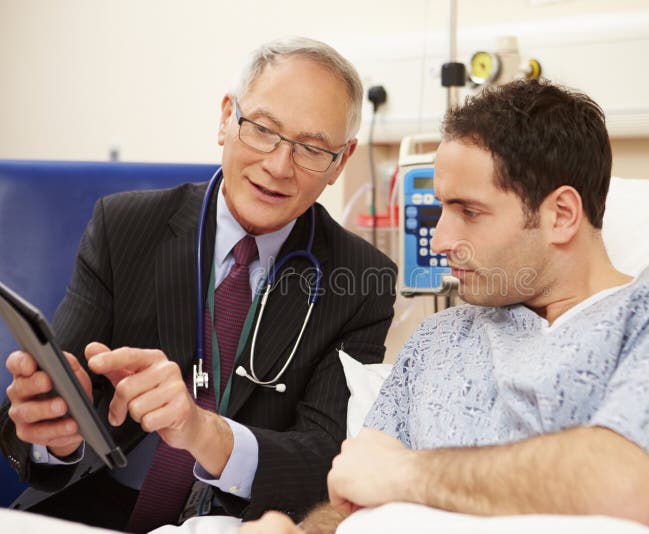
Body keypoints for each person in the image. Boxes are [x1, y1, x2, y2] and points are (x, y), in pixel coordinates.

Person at [245, 79, 649, 533]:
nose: (439, 241)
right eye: (442, 208)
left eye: (469, 211)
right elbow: (355, 493)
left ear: (561, 214)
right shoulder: (442, 339)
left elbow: (635, 491)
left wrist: (410, 473)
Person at [0, 36, 396, 532]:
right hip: (94, 510)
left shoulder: (362, 280)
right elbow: (60, 398)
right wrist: (54, 435)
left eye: (312, 150)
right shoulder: (124, 227)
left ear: (341, 161)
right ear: (226, 117)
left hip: (239, 523)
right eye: (262, 130)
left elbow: (326, 461)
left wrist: (206, 433)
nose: (277, 166)